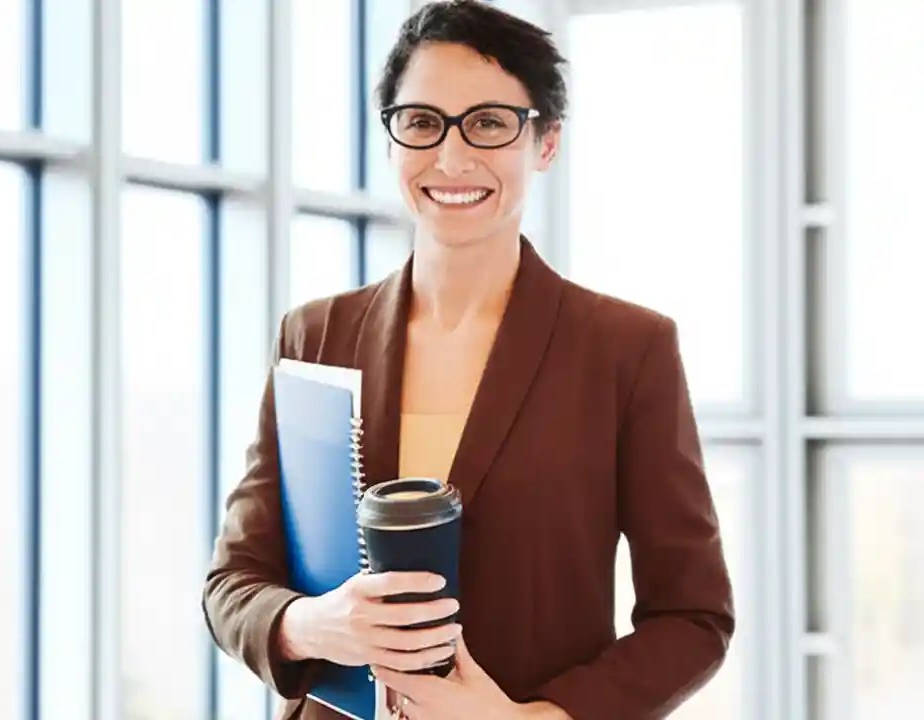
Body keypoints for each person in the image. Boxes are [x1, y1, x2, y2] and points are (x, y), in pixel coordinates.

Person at [203, 2, 734, 718]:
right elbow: (234, 583)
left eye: (488, 123)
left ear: (545, 143)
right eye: (422, 123)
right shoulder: (316, 335)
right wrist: (318, 624)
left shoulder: (624, 351)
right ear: (390, 139)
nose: (451, 159)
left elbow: (693, 616)